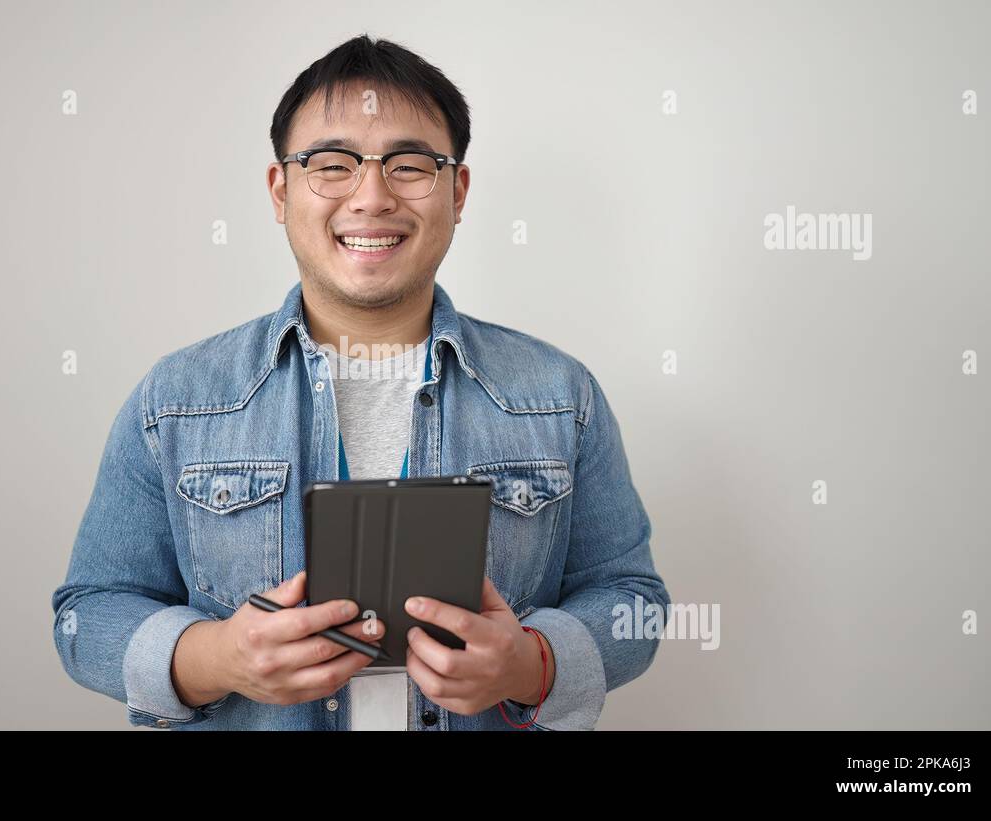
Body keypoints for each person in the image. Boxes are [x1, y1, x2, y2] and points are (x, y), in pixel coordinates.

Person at [51, 34, 669, 730]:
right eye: (332, 165)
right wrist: (217, 656)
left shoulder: (561, 395)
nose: (371, 197)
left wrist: (532, 662)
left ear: (457, 191)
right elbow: (87, 613)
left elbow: (631, 600)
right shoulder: (176, 400)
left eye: (409, 165)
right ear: (280, 190)